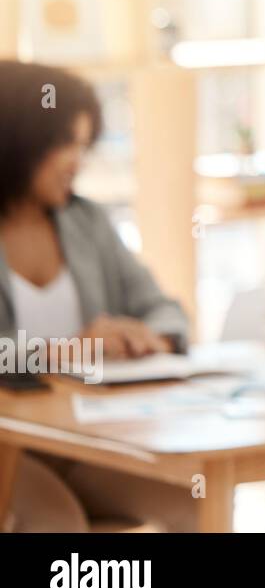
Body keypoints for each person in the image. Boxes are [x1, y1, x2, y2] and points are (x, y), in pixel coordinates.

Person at [0, 61, 196, 532]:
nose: (77, 161)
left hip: (86, 437)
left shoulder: (87, 223)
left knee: (188, 503)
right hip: (10, 444)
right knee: (56, 524)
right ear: (20, 140)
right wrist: (70, 350)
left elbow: (167, 311)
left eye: (84, 146)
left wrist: (146, 337)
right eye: (65, 144)